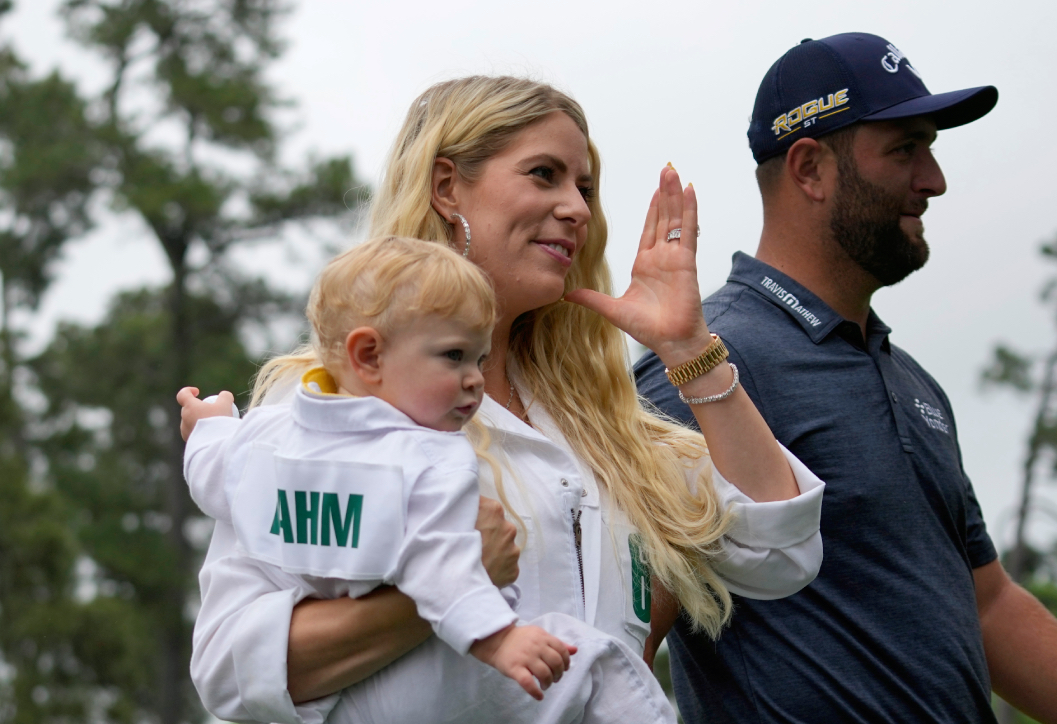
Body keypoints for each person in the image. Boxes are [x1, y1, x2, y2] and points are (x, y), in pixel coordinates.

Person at [182, 76, 826, 724]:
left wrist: (688, 350)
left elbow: (782, 553)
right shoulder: (333, 404)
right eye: (544, 174)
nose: (576, 208)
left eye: (585, 187)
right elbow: (233, 668)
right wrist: (455, 585)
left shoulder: (602, 430)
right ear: (445, 187)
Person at [635, 33, 1057, 724]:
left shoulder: (914, 385)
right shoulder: (706, 364)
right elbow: (626, 620)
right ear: (810, 168)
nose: (934, 179)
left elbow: (989, 603)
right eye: (905, 149)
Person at [178, 236, 676, 723]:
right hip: (430, 679)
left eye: (479, 359)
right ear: (369, 355)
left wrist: (211, 424)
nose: (475, 379)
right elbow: (443, 566)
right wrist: (498, 637)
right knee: (592, 658)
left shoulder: (268, 432)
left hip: (338, 699)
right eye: (453, 356)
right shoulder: (431, 458)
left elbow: (212, 474)